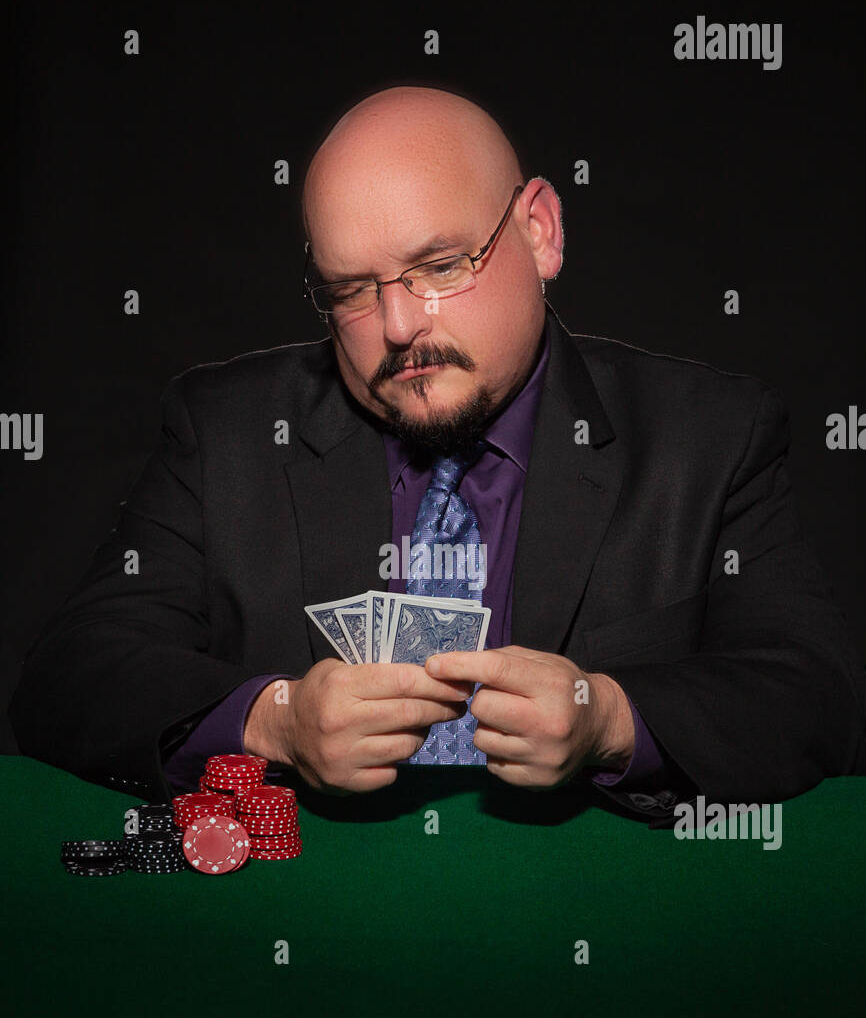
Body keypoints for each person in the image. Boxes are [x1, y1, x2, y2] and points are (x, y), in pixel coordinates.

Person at [9, 86, 865, 821]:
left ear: (540, 232)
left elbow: (817, 700)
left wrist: (608, 716)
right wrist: (274, 722)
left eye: (441, 266)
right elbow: (67, 679)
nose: (396, 327)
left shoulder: (708, 436)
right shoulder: (225, 430)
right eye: (351, 289)